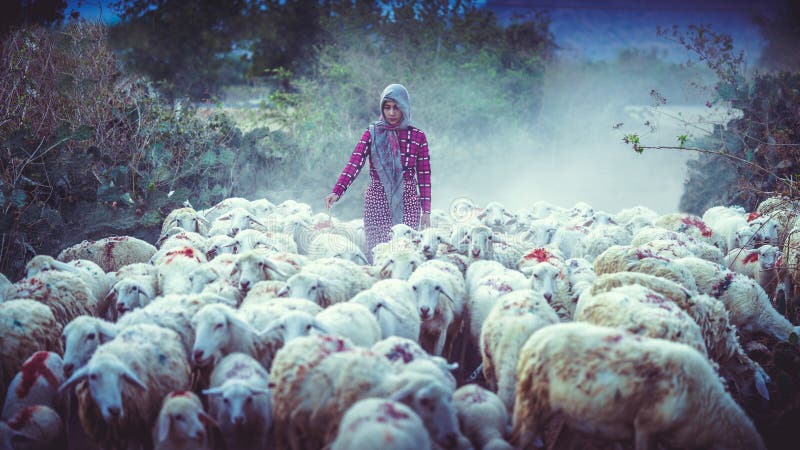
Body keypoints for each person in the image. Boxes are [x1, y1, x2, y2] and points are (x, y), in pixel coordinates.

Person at [324, 83, 431, 260]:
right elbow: (355, 163)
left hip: (408, 201)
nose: (391, 113)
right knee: (378, 253)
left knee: (406, 253)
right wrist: (337, 191)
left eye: (396, 107)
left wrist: (426, 211)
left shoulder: (417, 137)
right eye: (387, 107)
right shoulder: (372, 133)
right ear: (382, 108)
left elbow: (424, 176)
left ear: (405, 107)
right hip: (377, 201)